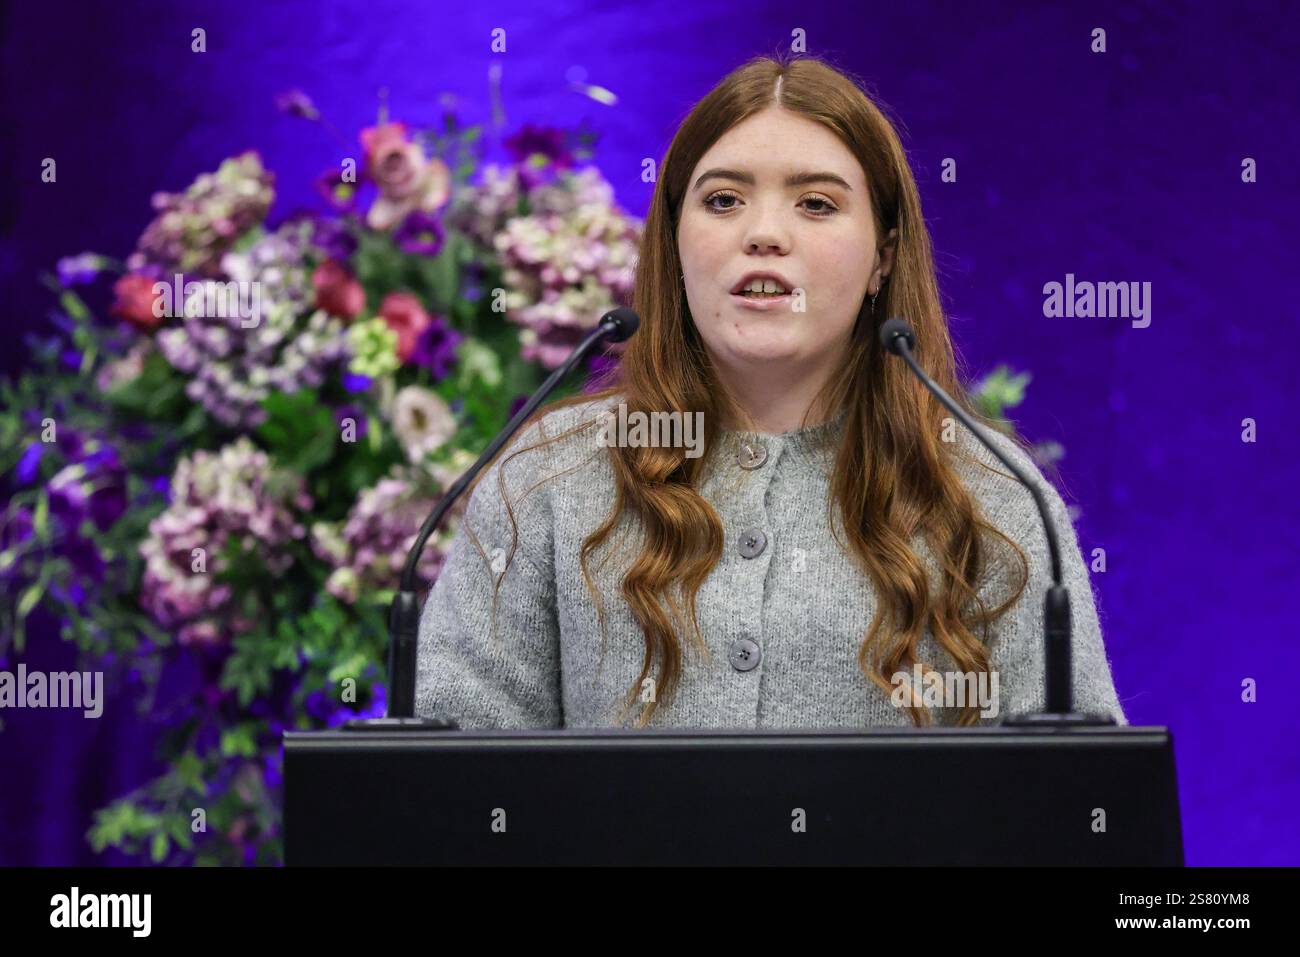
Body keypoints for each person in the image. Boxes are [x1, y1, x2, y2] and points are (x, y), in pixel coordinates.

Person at [414, 53, 1128, 730]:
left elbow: (1082, 803)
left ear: (882, 256)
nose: (763, 234)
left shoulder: (991, 493)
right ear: (674, 241)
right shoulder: (550, 474)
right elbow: (445, 786)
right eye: (723, 200)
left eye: (816, 204)